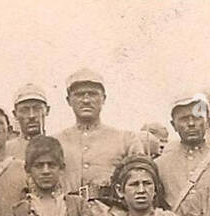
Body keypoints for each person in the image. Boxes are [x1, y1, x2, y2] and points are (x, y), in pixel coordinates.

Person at [53, 68, 152, 196]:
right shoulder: (55, 142)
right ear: (68, 100)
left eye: (93, 94)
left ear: (104, 98)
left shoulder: (126, 140)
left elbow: (140, 181)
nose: (86, 100)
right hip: (68, 211)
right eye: (79, 95)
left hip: (112, 211)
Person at [155, 91, 210, 210]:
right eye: (184, 119)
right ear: (174, 125)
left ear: (207, 121)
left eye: (197, 118)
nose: (191, 123)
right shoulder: (160, 165)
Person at [6, 83, 50, 160]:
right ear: (15, 114)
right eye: (24, 110)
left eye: (37, 108)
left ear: (47, 110)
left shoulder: (58, 146)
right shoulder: (6, 151)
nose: (31, 116)